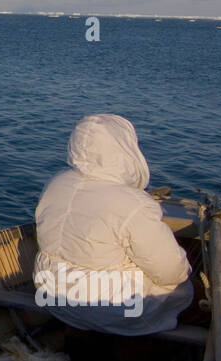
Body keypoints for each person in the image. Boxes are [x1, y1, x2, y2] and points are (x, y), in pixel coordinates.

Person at [32, 114, 193, 335]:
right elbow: (170, 270)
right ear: (123, 149)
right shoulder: (134, 204)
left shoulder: (55, 184)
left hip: (49, 294)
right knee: (181, 286)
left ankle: (73, 328)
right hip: (109, 309)